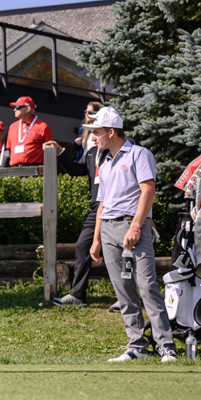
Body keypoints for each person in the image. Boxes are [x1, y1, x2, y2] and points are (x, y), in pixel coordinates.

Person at [86, 107, 177, 363]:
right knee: (124, 289)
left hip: (132, 229)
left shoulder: (139, 154)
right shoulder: (104, 163)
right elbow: (101, 205)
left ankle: (166, 347)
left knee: (147, 286)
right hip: (109, 232)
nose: (93, 137)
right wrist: (96, 240)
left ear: (111, 132)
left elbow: (148, 190)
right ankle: (137, 346)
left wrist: (136, 227)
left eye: (97, 132)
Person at [47, 110, 112, 308]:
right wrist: (60, 152)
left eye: (96, 130)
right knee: (82, 246)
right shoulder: (92, 153)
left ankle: (125, 298)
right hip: (96, 210)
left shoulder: (120, 151)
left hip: (117, 208)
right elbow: (75, 170)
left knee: (116, 252)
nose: (92, 136)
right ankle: (78, 296)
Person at [5, 96, 53, 166]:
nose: (14, 110)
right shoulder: (12, 126)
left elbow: (50, 151)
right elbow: (9, 149)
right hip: (14, 170)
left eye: (18, 107)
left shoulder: (43, 127)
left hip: (34, 169)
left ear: (28, 109)